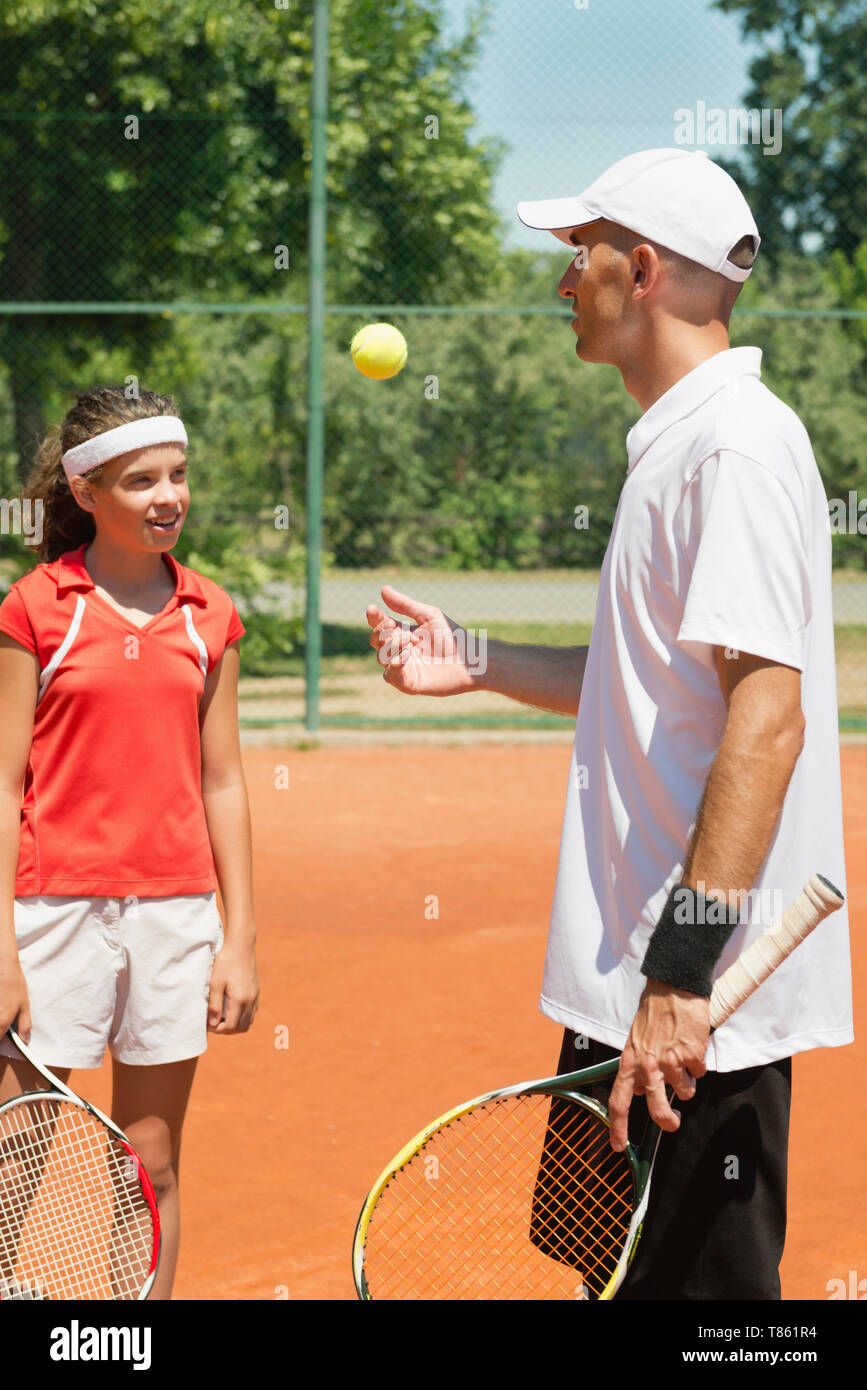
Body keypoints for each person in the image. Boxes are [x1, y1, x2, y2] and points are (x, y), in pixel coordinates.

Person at [365, 148, 853, 1299]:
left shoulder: (732, 447)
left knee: (709, 1312)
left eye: (575, 256)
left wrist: (681, 976)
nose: (561, 282)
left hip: (694, 1009)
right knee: (617, 1285)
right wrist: (474, 661)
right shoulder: (679, 446)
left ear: (640, 269)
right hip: (636, 981)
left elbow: (766, 720)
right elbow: (651, 674)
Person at [0, 386, 259, 1300]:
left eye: (178, 476)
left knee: (149, 1161)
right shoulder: (37, 606)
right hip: (48, 913)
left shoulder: (209, 615)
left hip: (174, 917)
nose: (169, 496)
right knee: (17, 1147)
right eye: (142, 479)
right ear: (85, 492)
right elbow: (4, 784)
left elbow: (223, 781)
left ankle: (131, 1336)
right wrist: (2, 949)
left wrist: (240, 939)